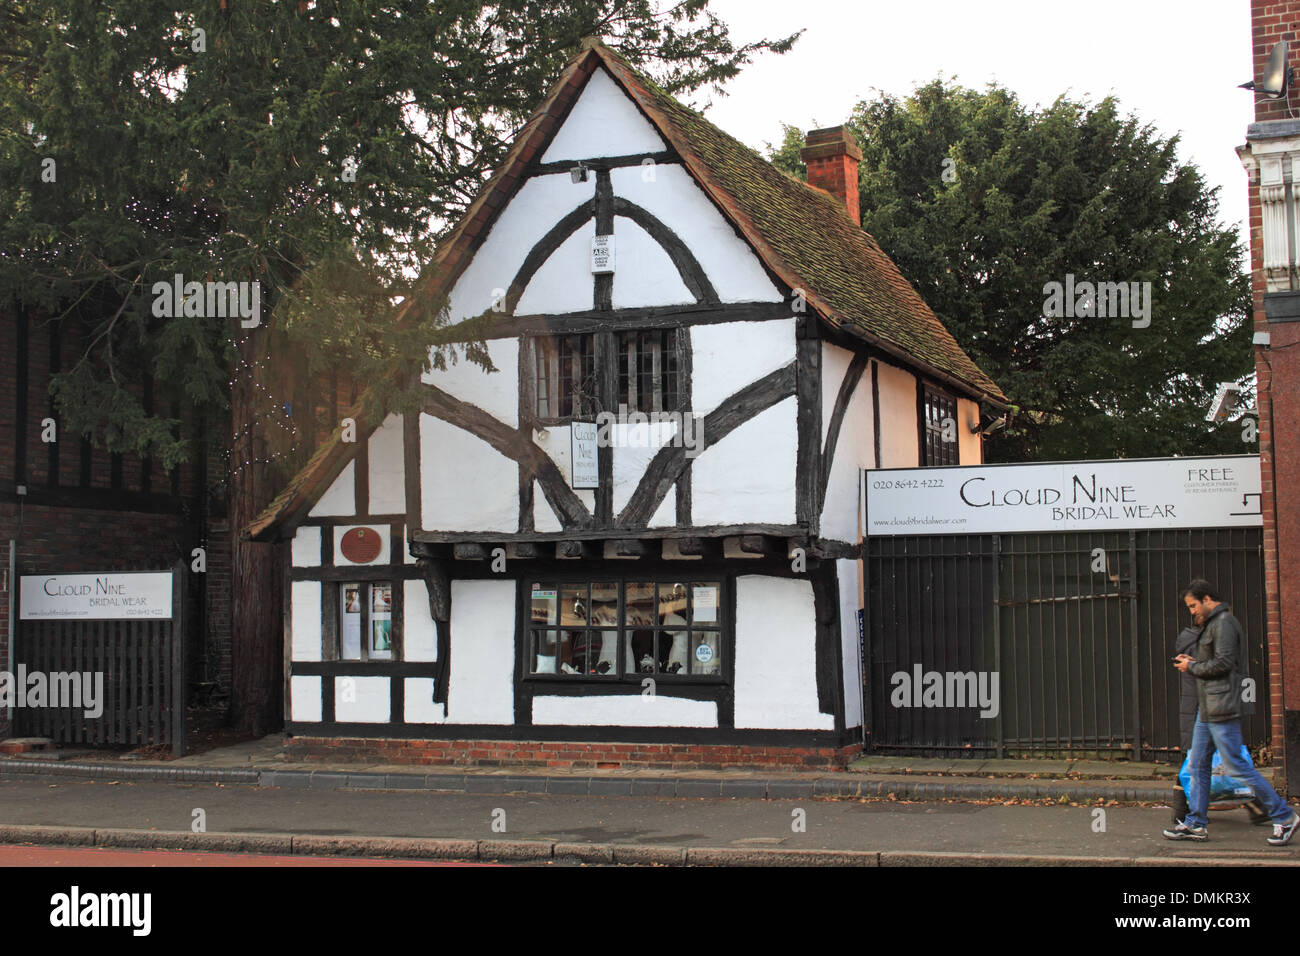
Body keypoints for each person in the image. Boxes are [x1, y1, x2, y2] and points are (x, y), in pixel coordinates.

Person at [1163, 579, 1299, 845]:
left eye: (1193, 605)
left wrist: (1192, 668)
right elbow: (1215, 661)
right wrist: (1195, 662)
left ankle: (1284, 816)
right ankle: (1196, 824)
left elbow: (1225, 664)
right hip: (1208, 707)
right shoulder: (1213, 624)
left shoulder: (1224, 623)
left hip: (1221, 707)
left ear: (1207, 599)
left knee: (1236, 764)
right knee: (1198, 764)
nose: (1192, 611)